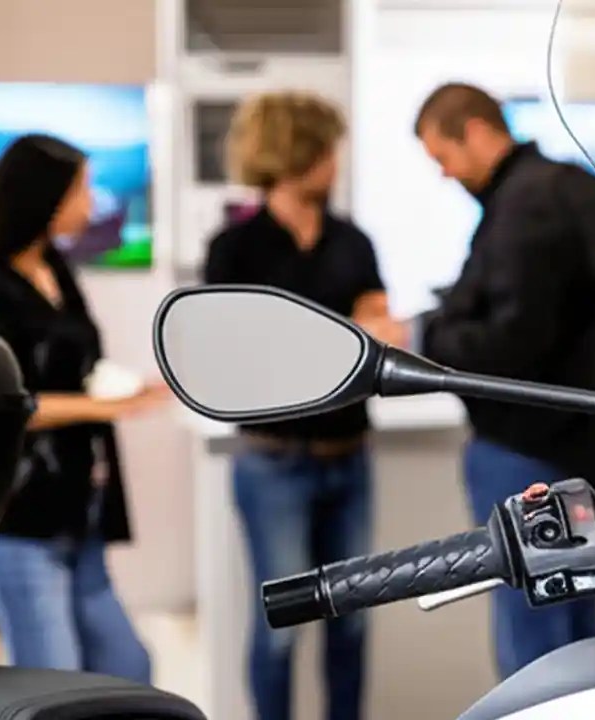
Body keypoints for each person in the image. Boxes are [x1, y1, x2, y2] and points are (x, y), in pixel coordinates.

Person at [392, 82, 595, 678]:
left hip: (529, 456)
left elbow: (508, 345)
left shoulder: (525, 204)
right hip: (592, 451)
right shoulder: (578, 187)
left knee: (534, 652)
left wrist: (422, 336)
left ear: (476, 133)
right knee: (581, 641)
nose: (444, 174)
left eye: (442, 157)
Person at [0, 133, 168, 682]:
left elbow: (79, 374)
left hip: (77, 516)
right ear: (43, 198)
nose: (91, 203)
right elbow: (4, 405)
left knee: (127, 668)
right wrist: (104, 408)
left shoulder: (58, 273)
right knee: (53, 685)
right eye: (82, 190)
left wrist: (135, 390)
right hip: (20, 524)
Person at [201, 91, 389, 720]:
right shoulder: (234, 249)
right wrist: (343, 331)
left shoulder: (354, 241)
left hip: (350, 456)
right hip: (275, 463)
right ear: (296, 152)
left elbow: (377, 332)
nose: (336, 161)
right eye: (327, 148)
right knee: (280, 631)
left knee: (353, 623)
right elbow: (234, 363)